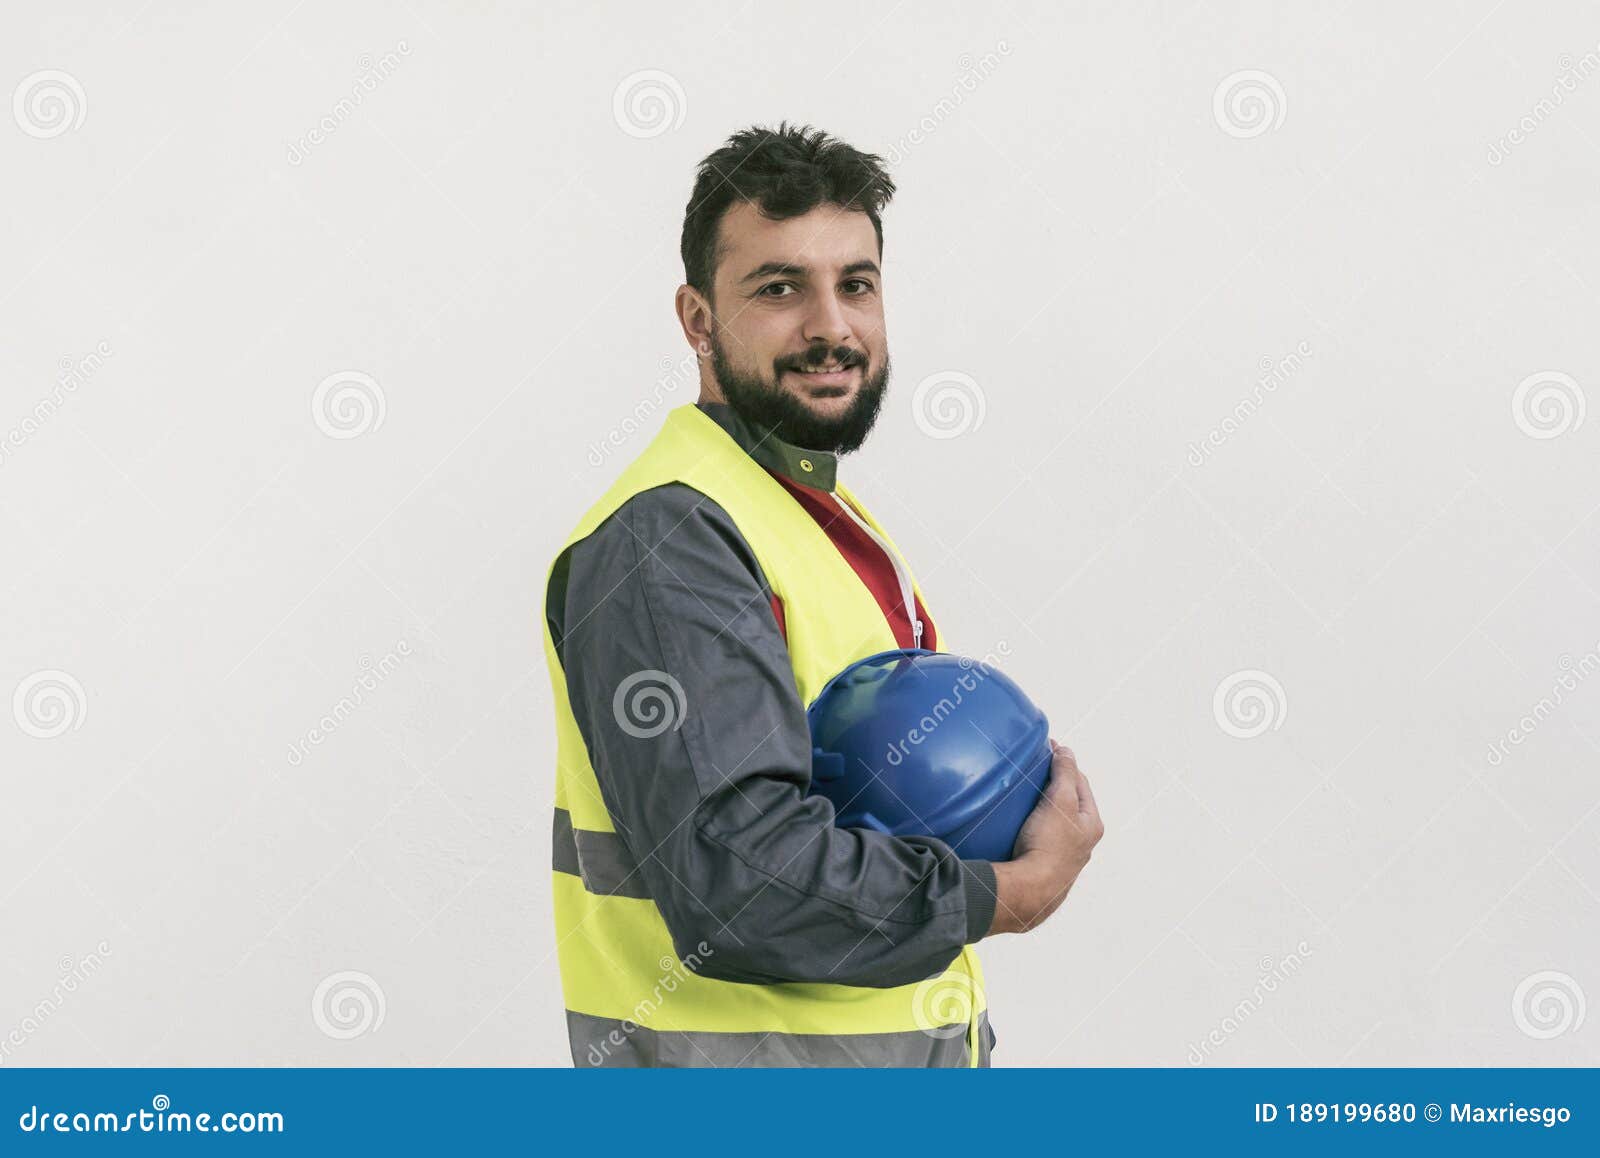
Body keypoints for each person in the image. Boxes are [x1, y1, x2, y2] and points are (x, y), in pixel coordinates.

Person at [541, 122, 1104, 1068]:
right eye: (778, 288)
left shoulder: (810, 515)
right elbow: (744, 883)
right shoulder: (669, 538)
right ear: (696, 318)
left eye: (856, 284)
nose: (831, 327)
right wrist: (1009, 893)